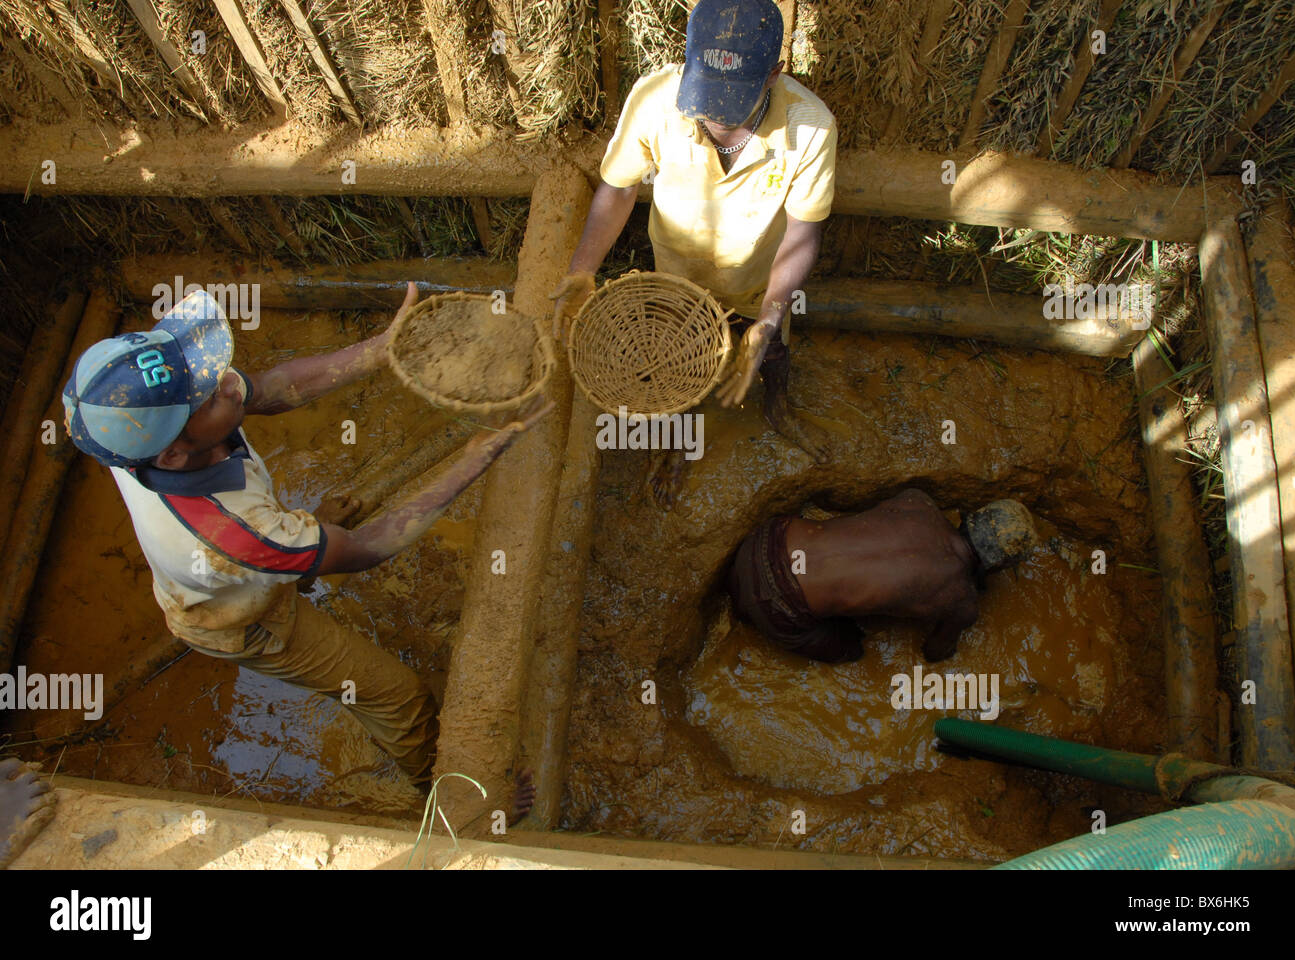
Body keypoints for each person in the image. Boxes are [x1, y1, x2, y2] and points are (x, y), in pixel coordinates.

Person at [61, 284, 546, 815]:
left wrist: (381, 347)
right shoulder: (235, 532)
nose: (227, 382)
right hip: (245, 620)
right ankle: (445, 795)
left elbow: (268, 387)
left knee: (285, 543)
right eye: (208, 393)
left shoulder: (122, 421)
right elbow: (364, 550)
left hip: (240, 563)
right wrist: (473, 459)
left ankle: (299, 552)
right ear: (175, 455)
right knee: (397, 695)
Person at [550, 0, 837, 505]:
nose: (712, 119)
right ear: (688, 63)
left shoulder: (810, 127)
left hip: (757, 283)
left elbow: (802, 232)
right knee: (674, 367)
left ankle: (778, 409)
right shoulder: (656, 100)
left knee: (770, 353)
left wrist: (769, 318)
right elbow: (617, 190)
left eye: (731, 106)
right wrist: (581, 270)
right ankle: (679, 442)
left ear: (773, 75)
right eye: (705, 100)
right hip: (677, 276)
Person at [726, 491, 1039, 664]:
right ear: (997, 565)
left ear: (974, 516)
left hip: (764, 540)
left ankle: (741, 600)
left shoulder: (919, 502)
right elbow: (934, 653)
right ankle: (753, 611)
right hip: (775, 604)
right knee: (852, 648)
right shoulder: (961, 601)